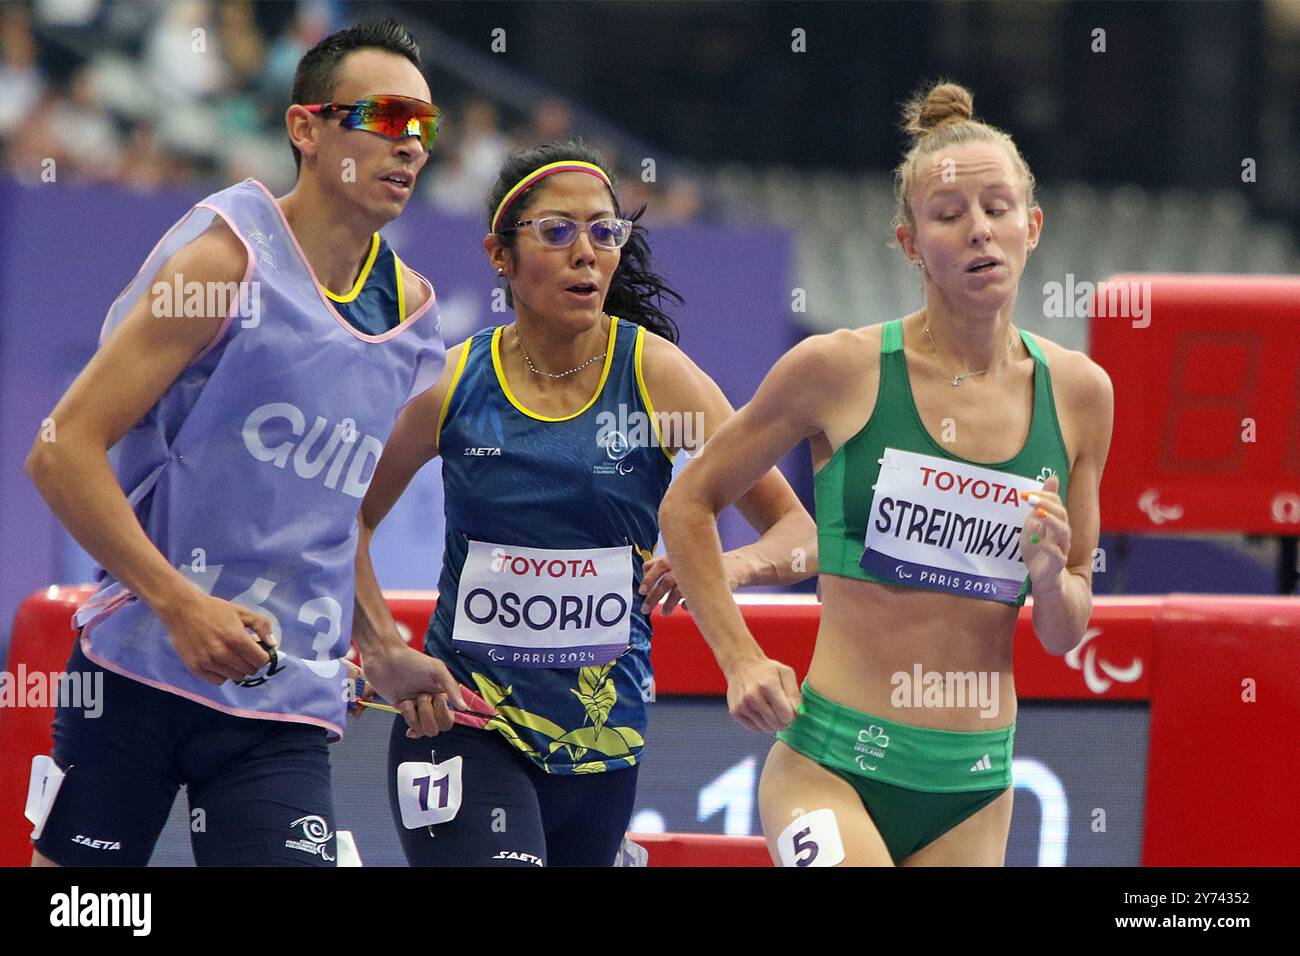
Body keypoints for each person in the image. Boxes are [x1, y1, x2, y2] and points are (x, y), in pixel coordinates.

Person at [23, 18, 460, 867]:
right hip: (138, 669)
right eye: (384, 119)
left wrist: (379, 642)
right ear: (306, 128)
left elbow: (340, 517)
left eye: (424, 127)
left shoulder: (412, 315)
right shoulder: (225, 263)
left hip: (280, 704)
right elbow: (61, 449)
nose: (409, 146)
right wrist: (180, 605)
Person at [660, 81, 1115, 867]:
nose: (980, 232)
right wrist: (737, 658)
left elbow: (1066, 628)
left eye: (999, 209)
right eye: (949, 216)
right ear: (909, 243)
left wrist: (1048, 575)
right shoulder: (837, 369)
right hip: (830, 769)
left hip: (975, 788)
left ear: (1032, 227)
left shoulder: (1080, 394)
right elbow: (690, 500)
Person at [352, 140, 816, 866]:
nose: (586, 252)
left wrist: (728, 568)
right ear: (500, 256)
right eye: (556, 231)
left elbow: (798, 532)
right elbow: (343, 515)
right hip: (462, 725)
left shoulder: (660, 380)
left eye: (604, 231)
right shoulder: (450, 387)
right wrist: (379, 644)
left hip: (604, 745)